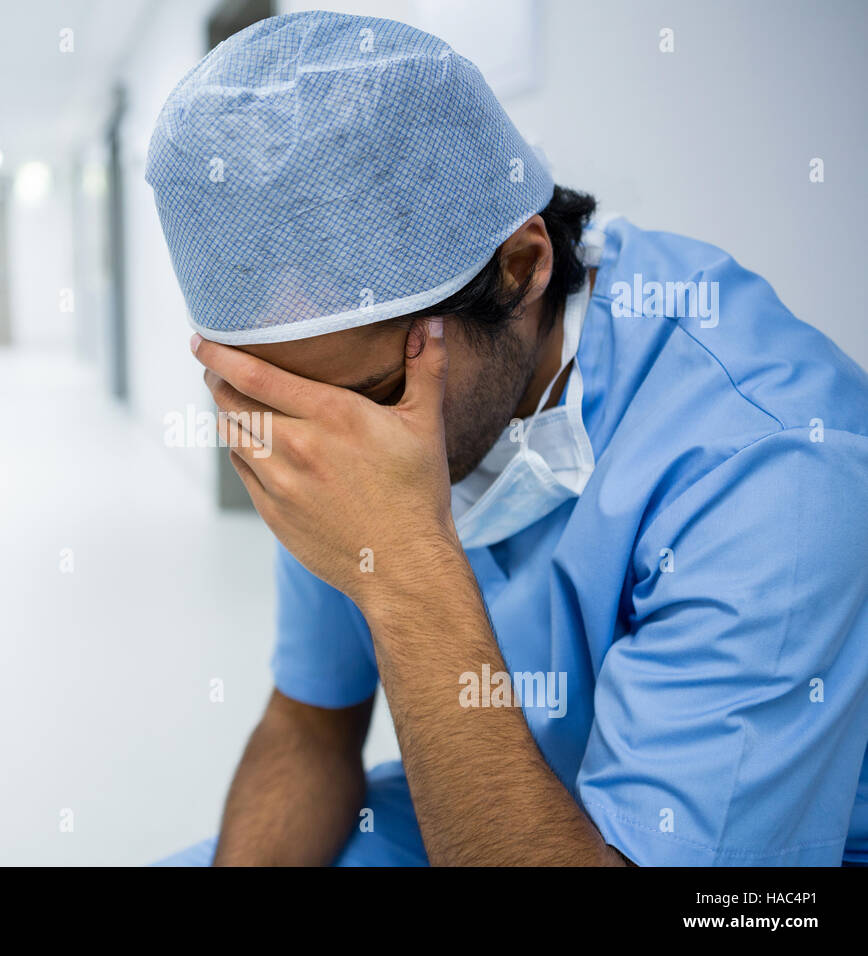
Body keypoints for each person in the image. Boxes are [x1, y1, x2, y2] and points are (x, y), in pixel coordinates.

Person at [144, 11, 868, 866]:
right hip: (487, 787)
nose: (323, 450)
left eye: (373, 398)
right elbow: (311, 722)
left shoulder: (772, 465)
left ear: (521, 269)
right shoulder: (327, 403)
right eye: (285, 413)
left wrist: (408, 565)